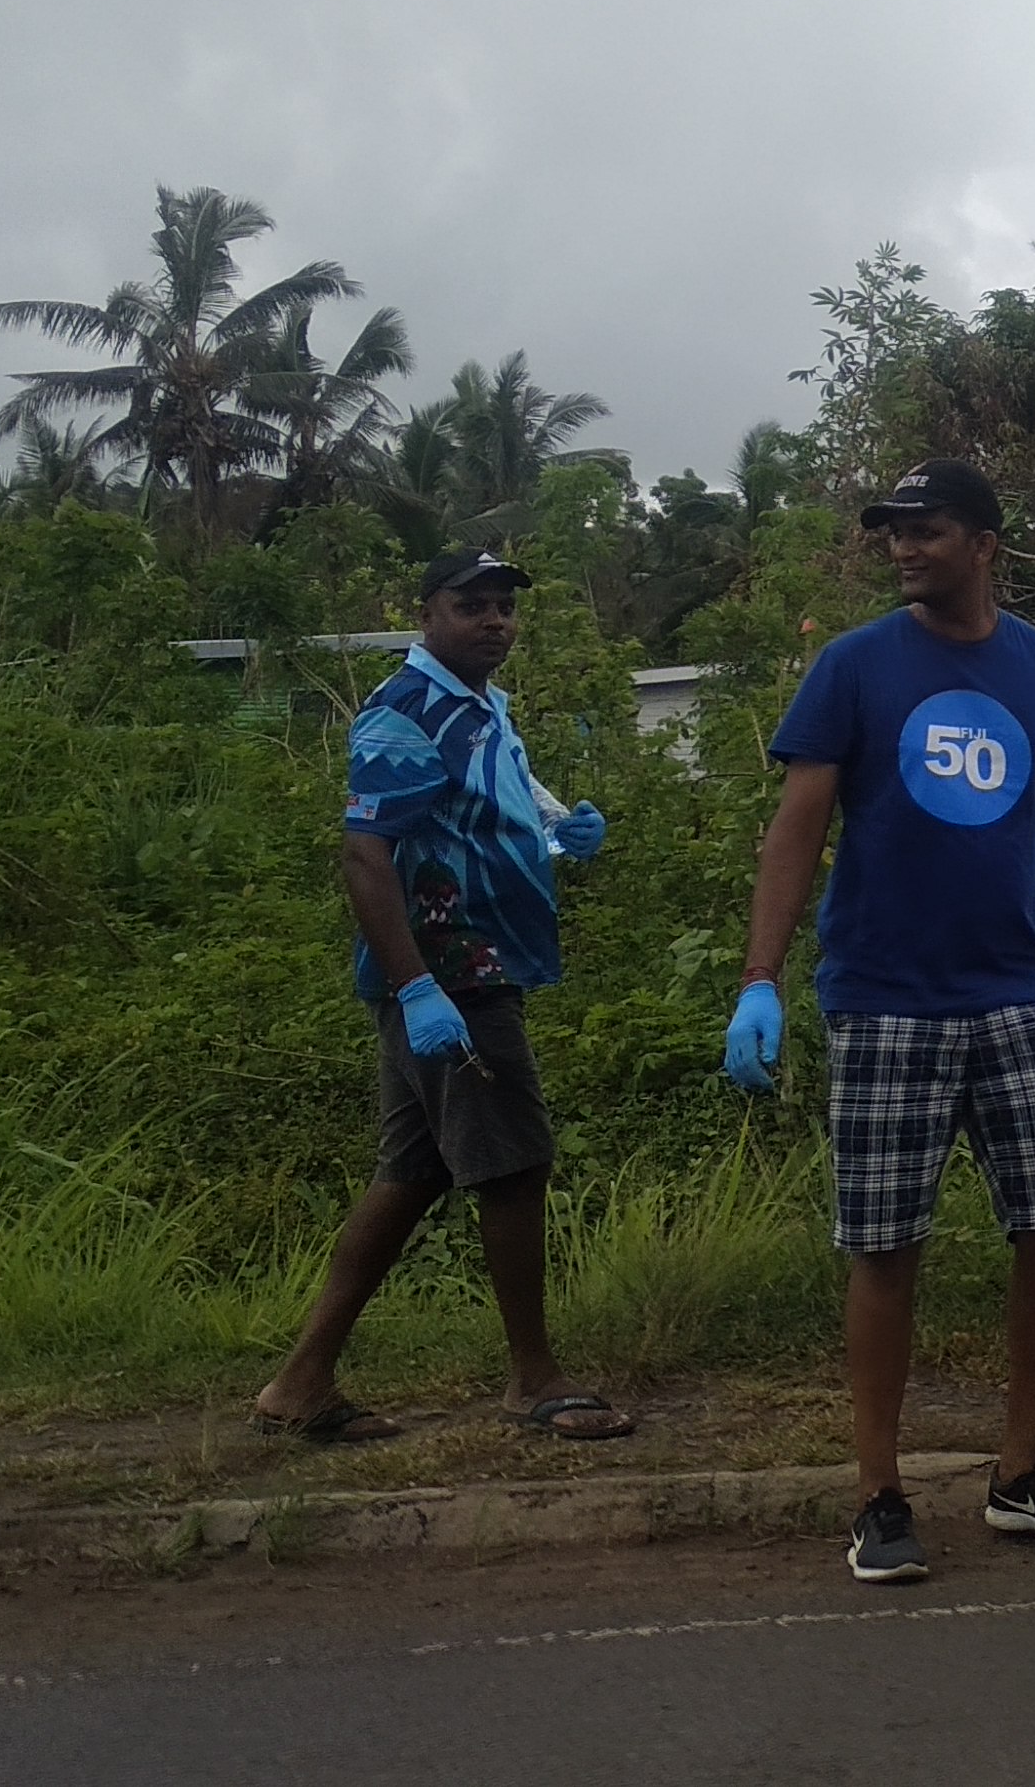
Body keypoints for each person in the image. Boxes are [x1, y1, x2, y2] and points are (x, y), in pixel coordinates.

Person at [723, 459, 1035, 1585]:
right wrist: (759, 978)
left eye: (930, 529)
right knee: (885, 1246)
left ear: (986, 544)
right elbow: (795, 830)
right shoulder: (854, 666)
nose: (906, 547)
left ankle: (1020, 1471)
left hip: (1019, 992)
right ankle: (877, 1493)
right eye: (895, 532)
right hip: (885, 1003)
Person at [254, 549, 634, 1449]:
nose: (495, 621)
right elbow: (365, 853)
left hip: (473, 965)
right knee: (512, 1165)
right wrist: (419, 987)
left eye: (504, 607)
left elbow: (483, 816)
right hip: (454, 974)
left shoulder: (482, 709)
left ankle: (298, 1384)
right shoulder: (405, 710)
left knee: (413, 1174)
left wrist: (556, 832)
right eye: (473, 606)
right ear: (427, 614)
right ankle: (533, 1380)